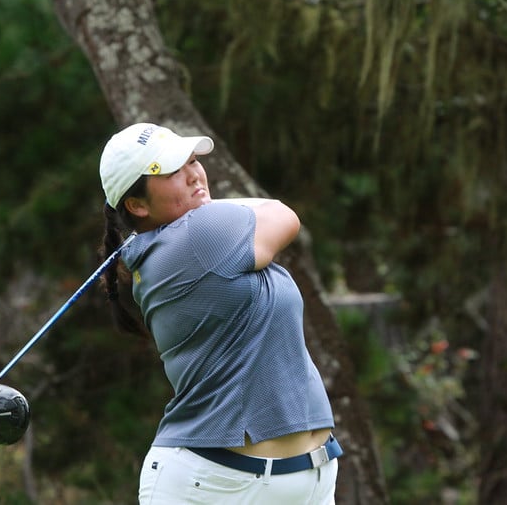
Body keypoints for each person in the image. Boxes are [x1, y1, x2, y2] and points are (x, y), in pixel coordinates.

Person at [98, 122, 342, 504]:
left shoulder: (179, 241)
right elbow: (282, 214)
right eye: (173, 171)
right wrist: (205, 205)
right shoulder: (198, 234)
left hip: (300, 480)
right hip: (217, 487)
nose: (194, 174)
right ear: (138, 206)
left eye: (192, 161)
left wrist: (197, 201)